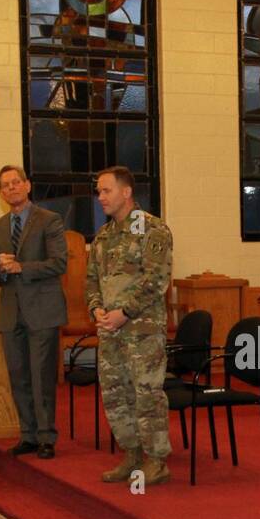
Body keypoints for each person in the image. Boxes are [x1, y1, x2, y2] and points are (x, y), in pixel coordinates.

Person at [86, 166, 174, 486]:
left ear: (126, 193)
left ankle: (157, 460)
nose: (100, 198)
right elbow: (91, 280)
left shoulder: (153, 229)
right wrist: (96, 308)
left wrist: (125, 311)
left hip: (142, 329)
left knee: (146, 393)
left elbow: (156, 280)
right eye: (98, 191)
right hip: (110, 329)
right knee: (116, 394)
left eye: (105, 191)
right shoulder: (103, 237)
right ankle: (132, 454)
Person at [0, 165, 68, 460]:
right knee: (18, 376)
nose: (11, 188)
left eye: (16, 182)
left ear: (27, 186)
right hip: (10, 313)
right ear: (1, 193)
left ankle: (46, 436)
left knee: (41, 375)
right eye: (5, 185)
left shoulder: (49, 221)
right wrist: (2, 269)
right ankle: (28, 434)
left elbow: (59, 263)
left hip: (42, 310)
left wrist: (22, 267)